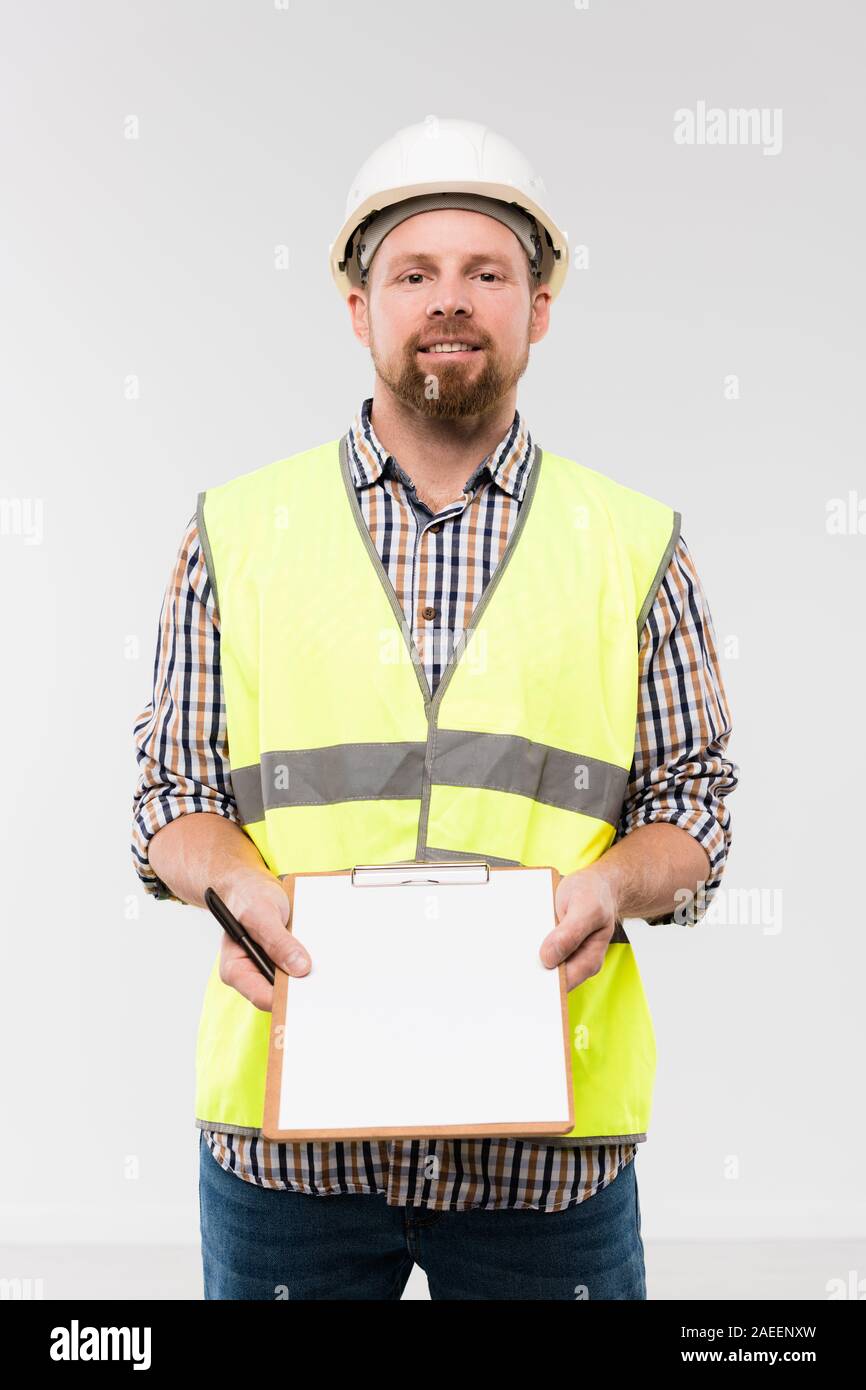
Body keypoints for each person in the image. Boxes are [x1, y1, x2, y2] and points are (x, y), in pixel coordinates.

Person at [131, 117, 739, 1300]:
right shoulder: (236, 534)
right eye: (413, 273)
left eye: (485, 273)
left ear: (537, 309)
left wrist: (613, 884)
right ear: (359, 309)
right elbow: (170, 798)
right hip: (287, 1151)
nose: (448, 300)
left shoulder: (636, 547)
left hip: (543, 1166)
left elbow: (695, 814)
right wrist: (231, 882)